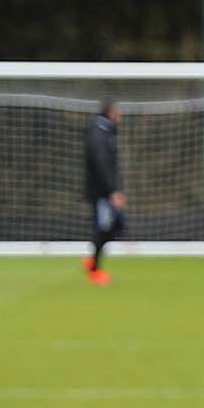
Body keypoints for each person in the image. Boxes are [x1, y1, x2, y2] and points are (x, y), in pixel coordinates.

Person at [82, 99, 124, 286]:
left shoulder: (105, 131)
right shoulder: (98, 133)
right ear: (110, 112)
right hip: (102, 193)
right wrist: (112, 191)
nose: (120, 115)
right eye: (118, 111)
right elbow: (101, 165)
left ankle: (92, 261)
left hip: (104, 191)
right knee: (104, 228)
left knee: (116, 226)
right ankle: (95, 270)